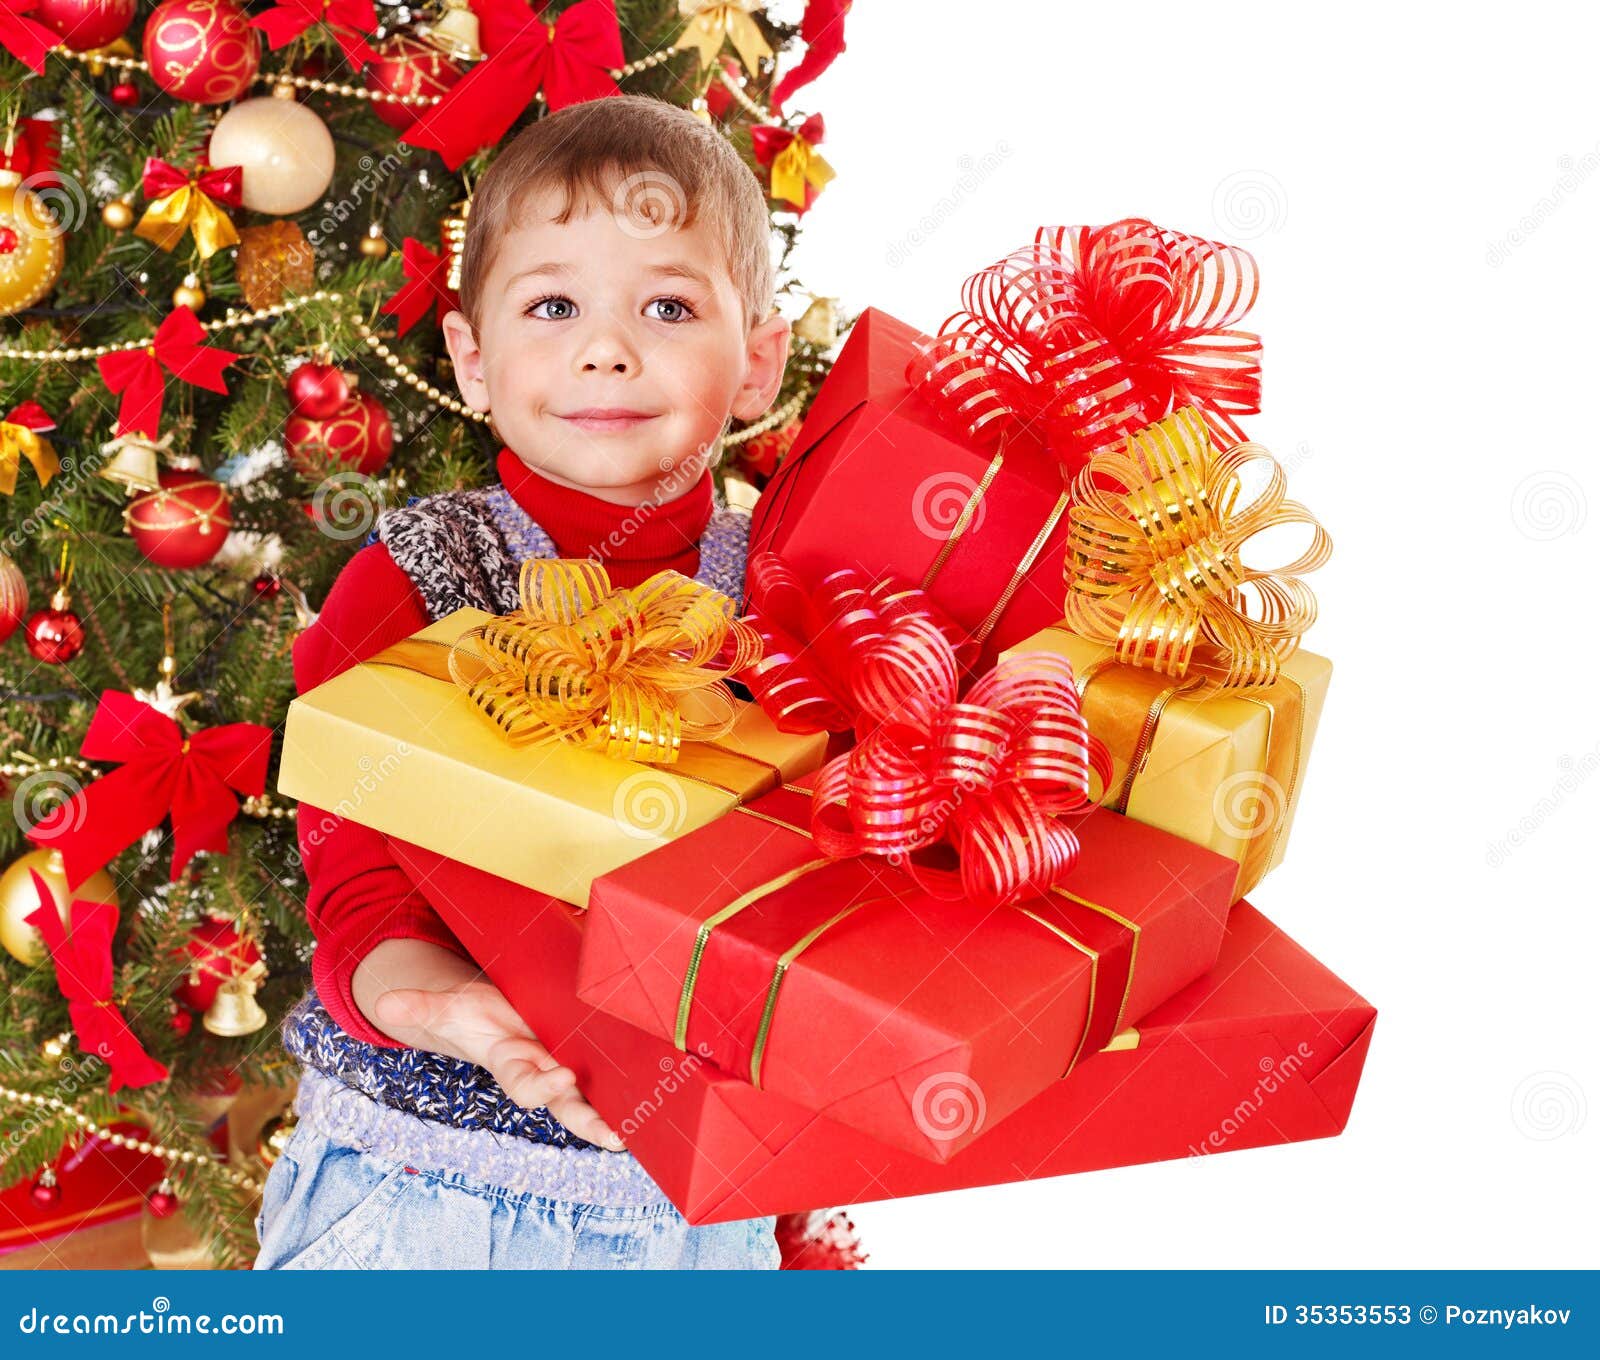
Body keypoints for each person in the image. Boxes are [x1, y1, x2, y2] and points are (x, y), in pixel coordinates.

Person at [255, 94, 792, 1270]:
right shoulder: (418, 578)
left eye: (667, 304)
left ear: (757, 361)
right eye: (553, 305)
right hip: (422, 1191)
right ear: (472, 356)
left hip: (693, 1213)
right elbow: (355, 876)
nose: (606, 347)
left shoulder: (792, 597)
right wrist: (442, 1005)